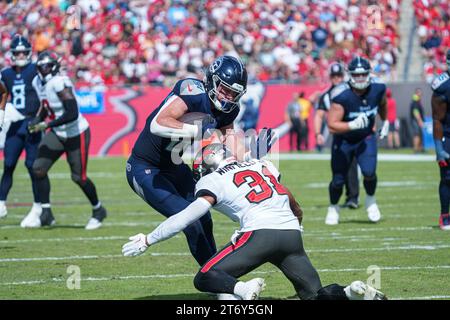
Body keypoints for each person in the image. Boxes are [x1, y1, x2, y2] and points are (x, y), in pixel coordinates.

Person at [122, 143, 387, 301]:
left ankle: (243, 289)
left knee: (204, 277)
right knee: (313, 295)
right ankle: (351, 292)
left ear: (205, 168)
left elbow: (186, 217)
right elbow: (291, 199)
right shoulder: (262, 165)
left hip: (260, 235)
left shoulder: (211, 180)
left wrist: (148, 239)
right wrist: (298, 221)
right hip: (291, 235)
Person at [125, 55, 248, 266]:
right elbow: (157, 124)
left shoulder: (229, 110)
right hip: (145, 167)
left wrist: (250, 163)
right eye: (225, 90)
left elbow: (231, 142)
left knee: (204, 216)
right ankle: (215, 278)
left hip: (174, 166)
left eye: (234, 93)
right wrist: (200, 129)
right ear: (212, 80)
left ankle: (217, 275)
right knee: (190, 222)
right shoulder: (192, 92)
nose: (228, 98)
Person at [25, 51, 107, 229]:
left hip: (76, 133)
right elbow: (44, 106)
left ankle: (98, 209)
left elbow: (72, 113)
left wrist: (46, 125)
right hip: (57, 132)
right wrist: (37, 121)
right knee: (38, 169)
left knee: (79, 177)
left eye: (46, 67)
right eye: (40, 67)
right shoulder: (37, 82)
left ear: (53, 67)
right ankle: (46, 213)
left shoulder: (61, 82)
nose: (42, 71)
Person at [325, 56, 388, 225]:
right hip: (343, 140)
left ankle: (371, 200)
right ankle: (333, 207)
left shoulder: (378, 87)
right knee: (338, 179)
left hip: (365, 137)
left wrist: (386, 120)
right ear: (350, 75)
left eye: (363, 74)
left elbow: (382, 103)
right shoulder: (341, 94)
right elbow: (331, 125)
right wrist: (351, 125)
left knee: (369, 172)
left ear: (369, 74)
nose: (360, 78)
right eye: (356, 75)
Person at [0, 35, 42, 221]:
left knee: (32, 166)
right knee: (8, 164)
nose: (21, 54)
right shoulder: (6, 73)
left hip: (32, 122)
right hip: (15, 123)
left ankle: (38, 207)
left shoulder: (35, 70)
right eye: (17, 52)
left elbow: (44, 96)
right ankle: (1, 202)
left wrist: (40, 118)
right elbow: (2, 93)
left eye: (24, 51)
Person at [315, 62, 360, 209]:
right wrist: (318, 133)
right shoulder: (326, 96)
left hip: (352, 133)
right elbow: (319, 115)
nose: (337, 78)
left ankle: (353, 197)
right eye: (334, 76)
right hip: (338, 135)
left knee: (352, 165)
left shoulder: (352, 90)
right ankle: (339, 198)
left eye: (339, 75)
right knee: (338, 168)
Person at [430, 48, 450, 230]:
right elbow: (437, 118)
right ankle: (445, 215)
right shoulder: (442, 86)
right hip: (448, 135)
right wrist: (439, 149)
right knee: (447, 178)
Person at [410, 88, 425, 153]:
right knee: (417, 135)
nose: (421, 94)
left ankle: (420, 149)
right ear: (416, 93)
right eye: (419, 92)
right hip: (416, 121)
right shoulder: (415, 100)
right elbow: (416, 112)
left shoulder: (417, 100)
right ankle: (416, 150)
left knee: (419, 134)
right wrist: (420, 121)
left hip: (417, 121)